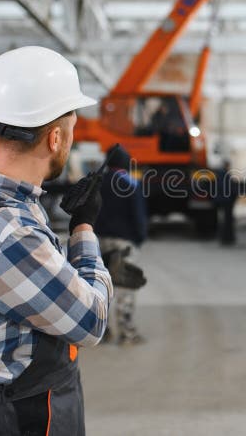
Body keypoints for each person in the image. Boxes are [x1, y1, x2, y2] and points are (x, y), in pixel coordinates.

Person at [0, 46, 112, 436]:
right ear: (54, 138)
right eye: (71, 128)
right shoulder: (11, 232)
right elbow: (92, 320)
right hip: (17, 419)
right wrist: (84, 229)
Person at [94, 147, 149, 344]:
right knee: (125, 285)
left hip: (99, 241)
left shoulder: (97, 184)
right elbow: (138, 215)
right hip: (124, 242)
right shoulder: (130, 184)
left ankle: (102, 332)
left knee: (102, 285)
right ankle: (126, 333)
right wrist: (140, 238)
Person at [214, 159, 239, 245]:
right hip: (226, 201)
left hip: (221, 200)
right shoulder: (225, 174)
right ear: (227, 165)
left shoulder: (219, 174)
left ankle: (224, 237)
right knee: (227, 220)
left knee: (223, 219)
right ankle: (227, 238)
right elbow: (229, 188)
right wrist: (234, 196)